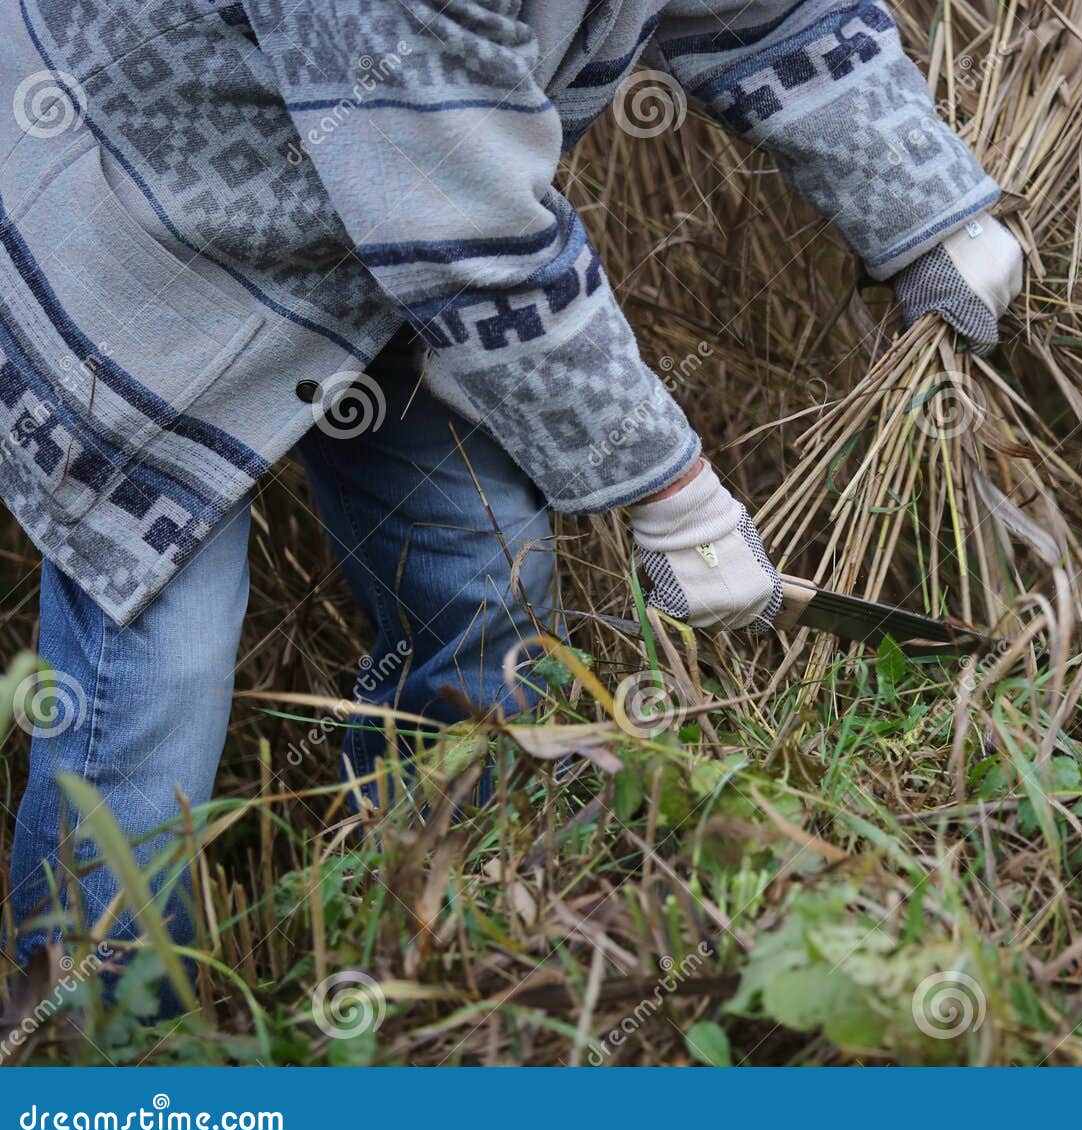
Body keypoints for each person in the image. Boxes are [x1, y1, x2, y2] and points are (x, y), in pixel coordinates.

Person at [0, 0, 1022, 979]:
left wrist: (929, 211)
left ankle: (430, 932)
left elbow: (771, 15)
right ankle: (100, 1042)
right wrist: (676, 496)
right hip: (132, 209)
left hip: (376, 219)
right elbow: (474, 243)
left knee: (484, 591)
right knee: (154, 682)